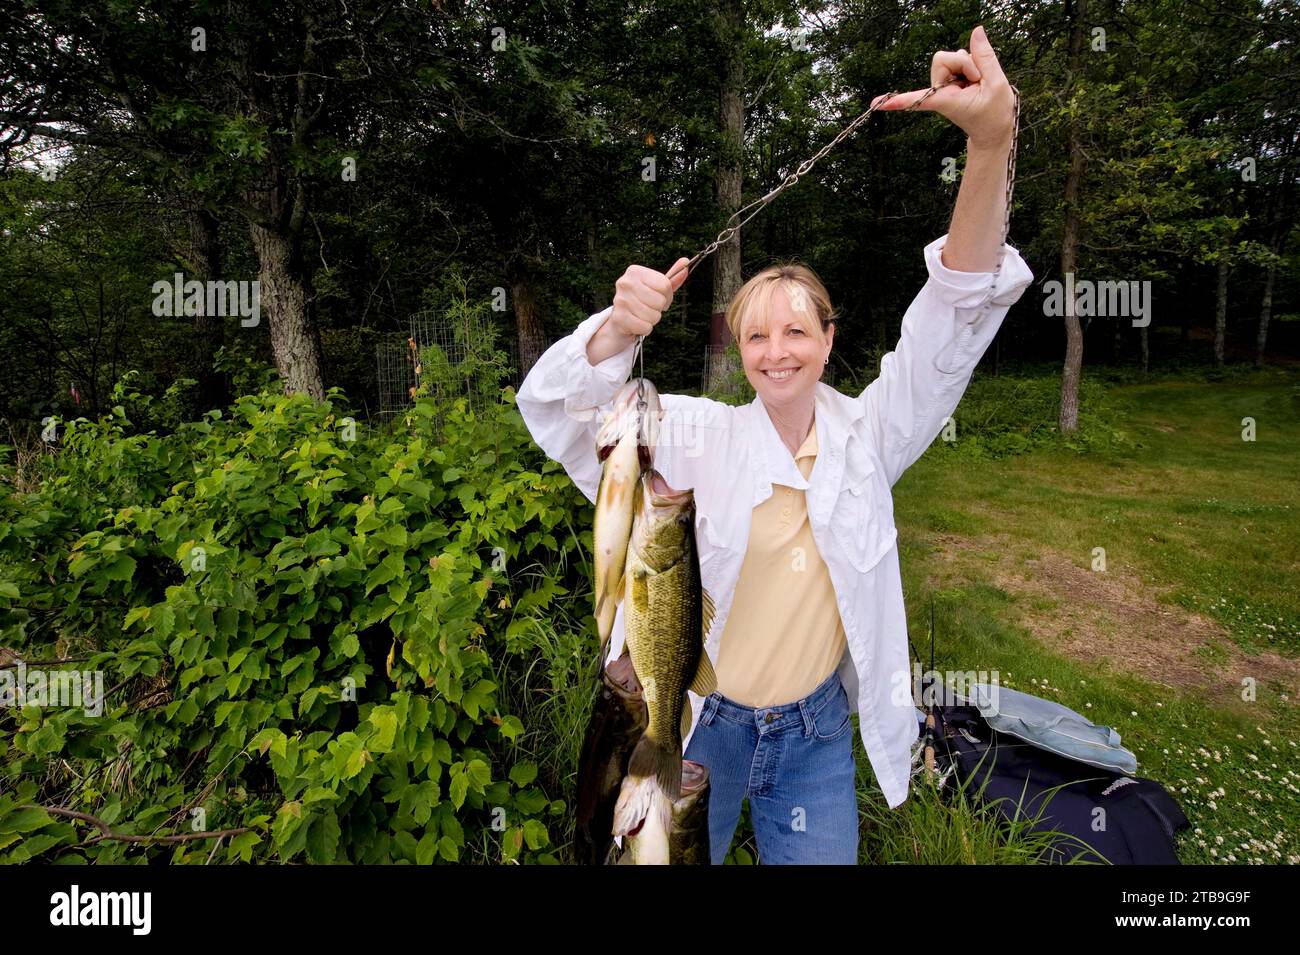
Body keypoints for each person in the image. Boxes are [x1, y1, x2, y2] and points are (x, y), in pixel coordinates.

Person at [516, 25, 1034, 864]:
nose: (777, 349)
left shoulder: (871, 435)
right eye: (757, 334)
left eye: (798, 329)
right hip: (697, 724)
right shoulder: (699, 435)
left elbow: (956, 315)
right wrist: (614, 331)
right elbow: (558, 413)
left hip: (815, 738)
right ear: (740, 351)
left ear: (830, 340)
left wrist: (990, 141)